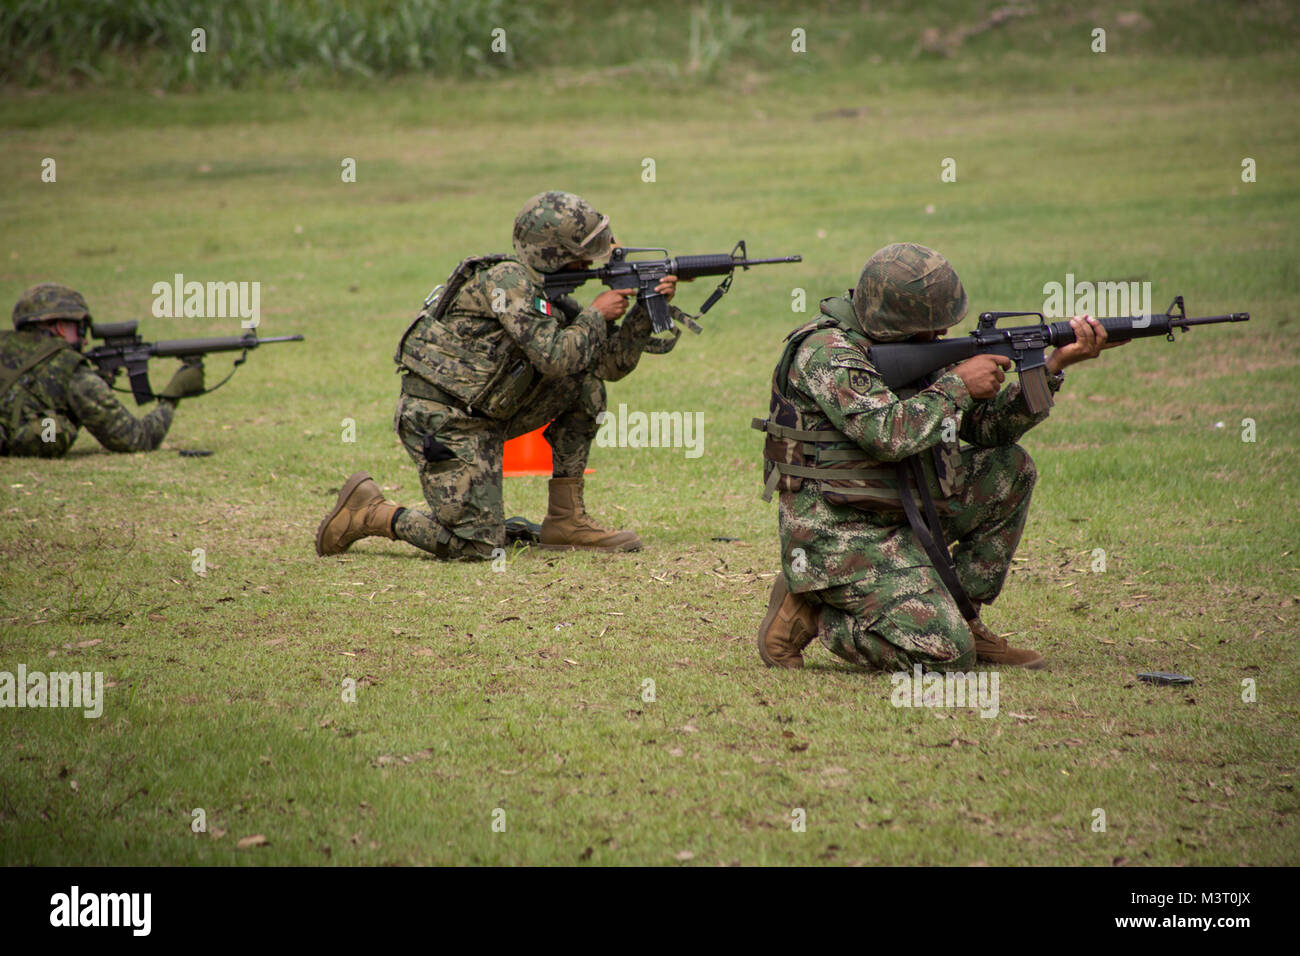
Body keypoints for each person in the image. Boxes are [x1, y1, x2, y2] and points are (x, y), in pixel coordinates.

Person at [753, 242, 1123, 672]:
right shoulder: (826, 353)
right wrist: (958, 385)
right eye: (933, 326)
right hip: (840, 533)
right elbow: (887, 435)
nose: (944, 333)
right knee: (947, 655)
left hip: (903, 508)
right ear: (899, 322)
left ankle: (963, 617)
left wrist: (1051, 367)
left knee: (1009, 468)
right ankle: (820, 612)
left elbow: (988, 429)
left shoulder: (912, 346)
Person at [315, 190, 686, 560]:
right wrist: (595, 314)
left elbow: (607, 365)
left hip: (487, 413)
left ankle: (566, 520)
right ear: (554, 253)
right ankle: (370, 512)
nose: (589, 264)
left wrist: (644, 310)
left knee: (585, 385)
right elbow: (555, 357)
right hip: (445, 421)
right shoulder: (508, 282)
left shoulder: (546, 293)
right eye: (581, 256)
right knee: (478, 546)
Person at [0, 283, 203, 457]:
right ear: (60, 327)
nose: (85, 340)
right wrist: (172, 395)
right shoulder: (69, 367)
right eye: (81, 328)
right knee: (55, 429)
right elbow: (137, 439)